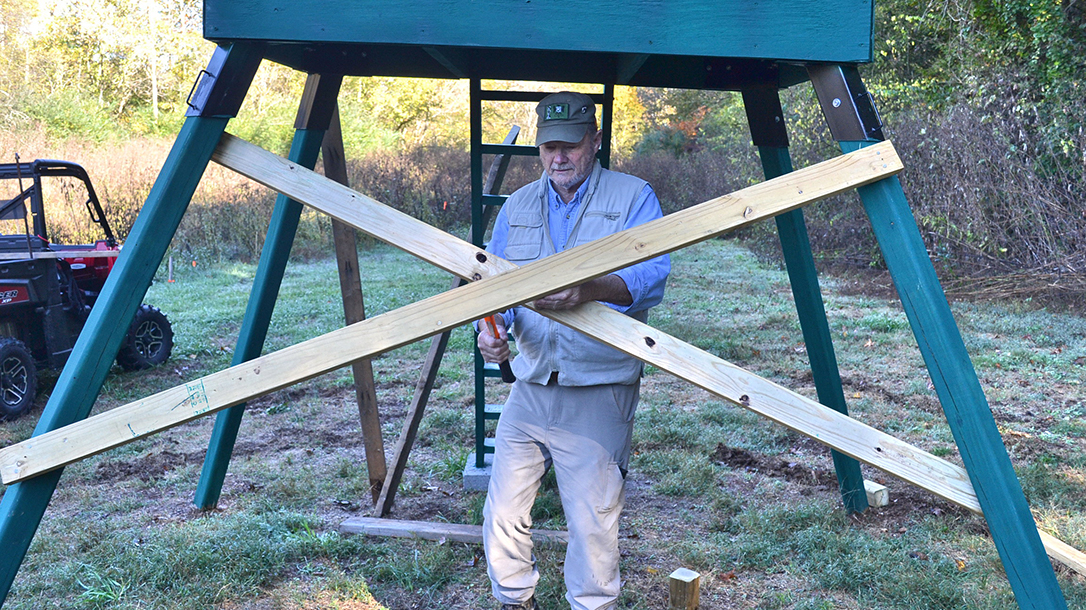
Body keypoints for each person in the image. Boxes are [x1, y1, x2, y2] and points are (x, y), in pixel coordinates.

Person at [477, 91, 670, 610]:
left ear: (595, 140)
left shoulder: (633, 197)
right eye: (548, 148)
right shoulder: (518, 206)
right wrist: (491, 328)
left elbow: (653, 276)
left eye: (570, 145)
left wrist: (591, 288)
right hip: (531, 383)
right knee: (501, 511)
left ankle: (592, 604)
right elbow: (495, 286)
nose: (558, 157)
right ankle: (514, 599)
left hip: (599, 385)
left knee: (592, 522)